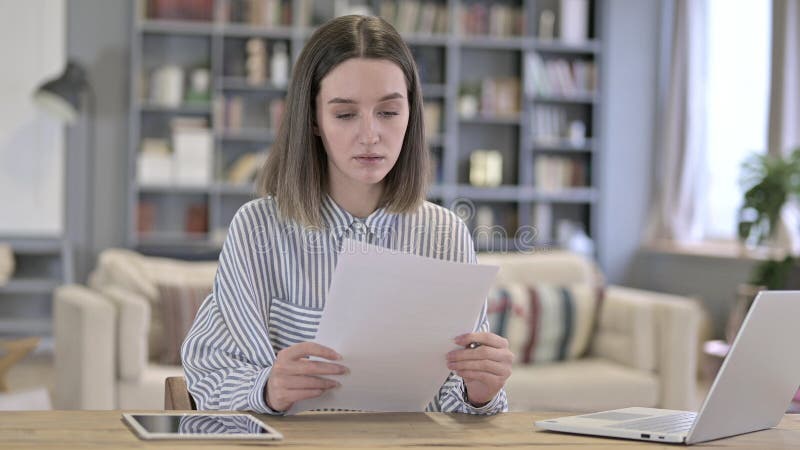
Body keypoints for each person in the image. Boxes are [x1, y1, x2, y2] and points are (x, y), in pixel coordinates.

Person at [181, 14, 512, 415]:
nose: (370, 135)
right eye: (345, 114)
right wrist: (267, 388)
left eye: (389, 112)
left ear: (411, 115)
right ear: (314, 120)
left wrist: (481, 391)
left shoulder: (446, 234)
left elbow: (455, 400)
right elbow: (209, 374)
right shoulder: (257, 229)